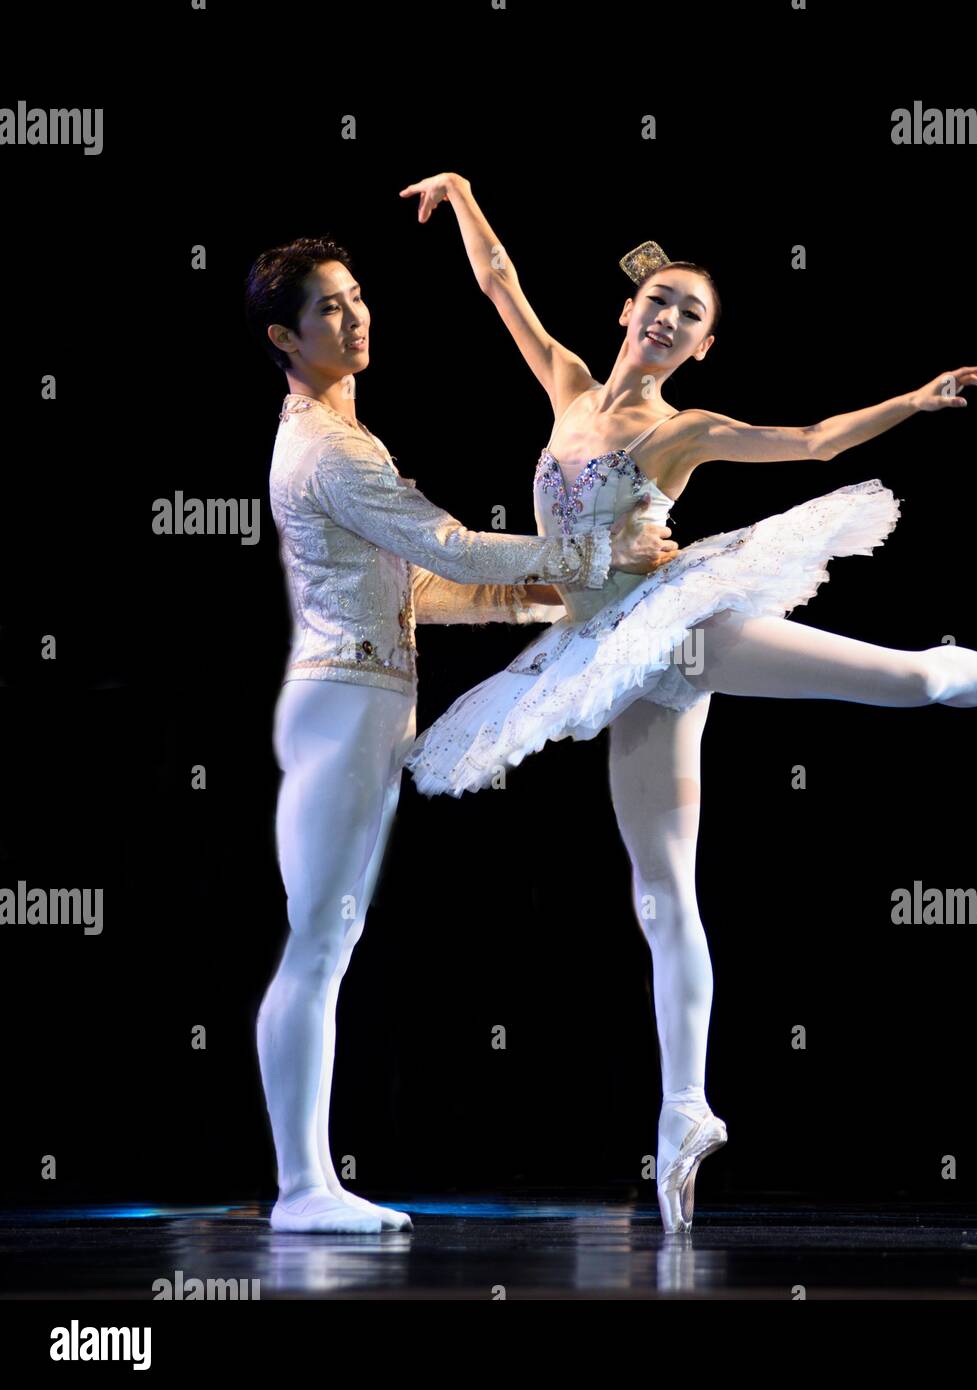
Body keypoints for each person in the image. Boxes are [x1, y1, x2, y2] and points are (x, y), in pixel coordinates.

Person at [395, 175, 977, 1233]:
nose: (667, 318)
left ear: (700, 346)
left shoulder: (684, 428)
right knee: (662, 895)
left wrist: (910, 400)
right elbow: (499, 286)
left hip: (676, 621)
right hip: (608, 658)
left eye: (691, 315)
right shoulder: (568, 385)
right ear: (627, 310)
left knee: (906, 677)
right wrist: (466, 193)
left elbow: (807, 442)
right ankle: (682, 1115)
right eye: (658, 300)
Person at [246, 236, 676, 1234]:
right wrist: (593, 549)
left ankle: (306, 1183)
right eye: (331, 312)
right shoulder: (332, 450)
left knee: (329, 938)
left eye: (359, 300)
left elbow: (420, 589)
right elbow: (442, 541)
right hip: (342, 701)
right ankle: (304, 1187)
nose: (357, 319)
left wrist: (544, 594)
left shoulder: (341, 433)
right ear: (284, 336)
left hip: (363, 695)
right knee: (317, 941)